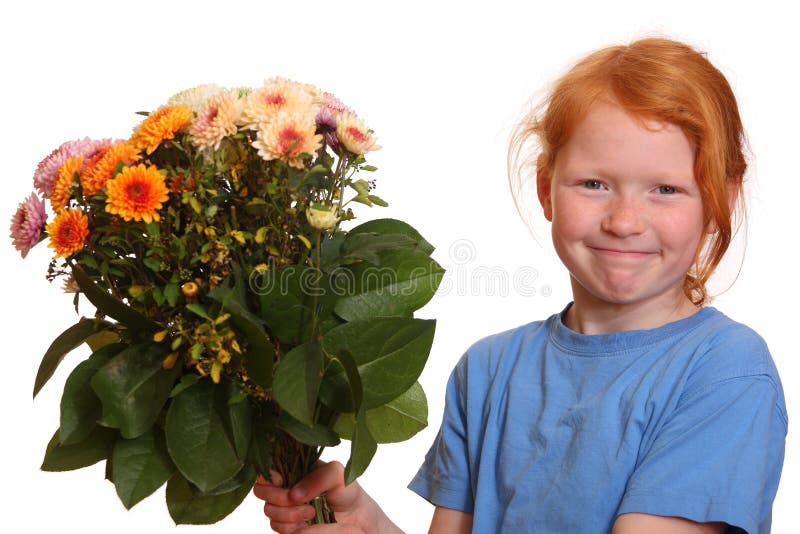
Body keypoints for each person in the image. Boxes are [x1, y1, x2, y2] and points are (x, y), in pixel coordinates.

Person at [252, 37, 788, 533]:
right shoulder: (488, 370)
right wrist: (368, 525)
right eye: (595, 184)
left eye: (666, 189)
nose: (625, 220)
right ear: (546, 189)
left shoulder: (724, 373)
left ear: (719, 201)